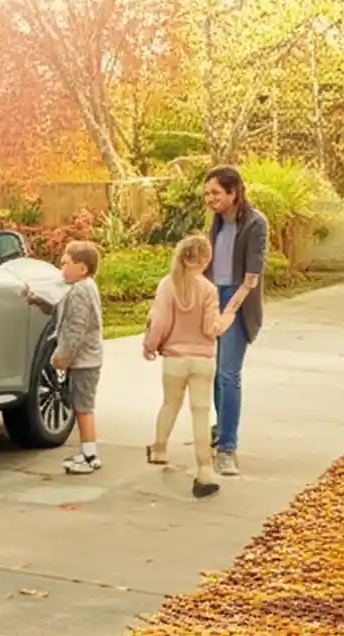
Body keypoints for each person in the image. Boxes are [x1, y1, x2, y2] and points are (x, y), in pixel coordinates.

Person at [141, 235, 235, 499]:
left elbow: (159, 322)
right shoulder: (208, 289)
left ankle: (159, 449)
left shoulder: (167, 285)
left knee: (170, 404)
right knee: (201, 413)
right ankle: (204, 469)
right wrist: (227, 318)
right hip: (202, 361)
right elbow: (210, 328)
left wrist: (151, 345)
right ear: (205, 259)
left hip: (174, 359)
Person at [203, 165, 268, 476]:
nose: (210, 199)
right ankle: (222, 427)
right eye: (207, 193)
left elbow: (252, 279)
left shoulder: (255, 224)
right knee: (215, 374)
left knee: (229, 374)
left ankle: (228, 448)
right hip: (213, 296)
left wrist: (229, 312)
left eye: (215, 193)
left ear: (233, 192)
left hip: (239, 301)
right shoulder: (216, 223)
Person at [25, 241, 104, 475]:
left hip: (84, 361)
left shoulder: (80, 290)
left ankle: (90, 456)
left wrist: (62, 357)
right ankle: (88, 453)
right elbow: (59, 308)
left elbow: (75, 329)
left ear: (82, 268)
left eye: (66, 264)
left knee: (83, 407)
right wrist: (36, 300)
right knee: (82, 406)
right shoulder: (82, 287)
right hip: (86, 360)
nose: (62, 269)